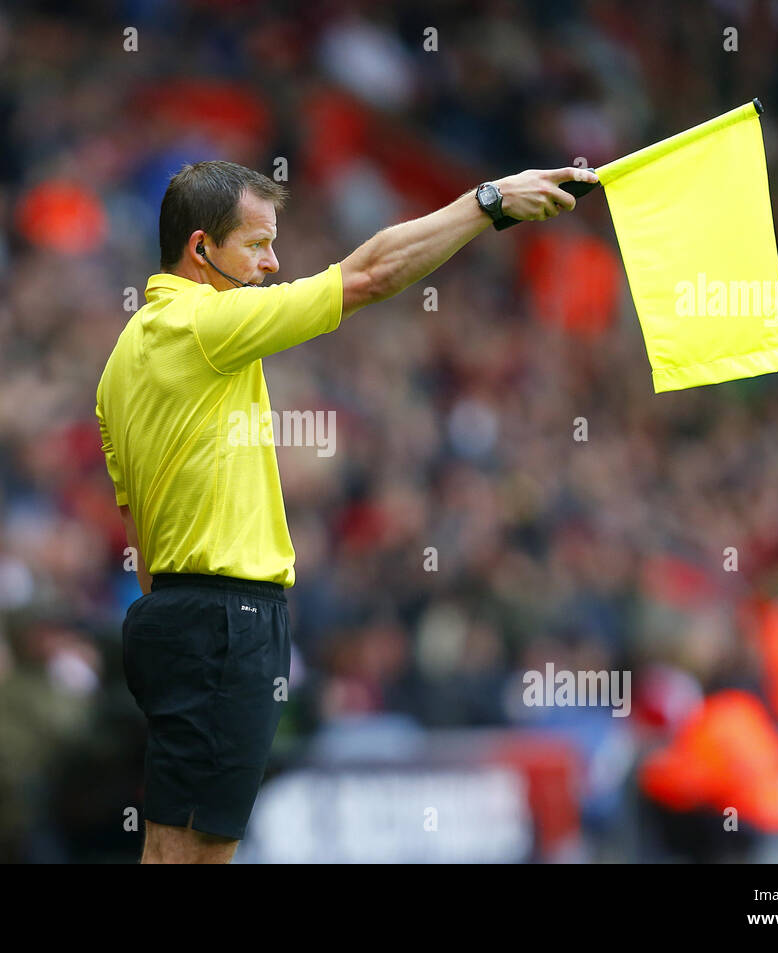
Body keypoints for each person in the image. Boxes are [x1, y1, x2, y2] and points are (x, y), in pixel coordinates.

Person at [96, 159, 597, 863]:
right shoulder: (200, 325)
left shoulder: (125, 359)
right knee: (191, 854)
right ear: (201, 248)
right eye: (257, 244)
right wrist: (489, 203)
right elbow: (366, 276)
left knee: (186, 847)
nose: (273, 263)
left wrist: (182, 624)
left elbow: (139, 536)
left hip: (182, 616)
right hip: (221, 619)